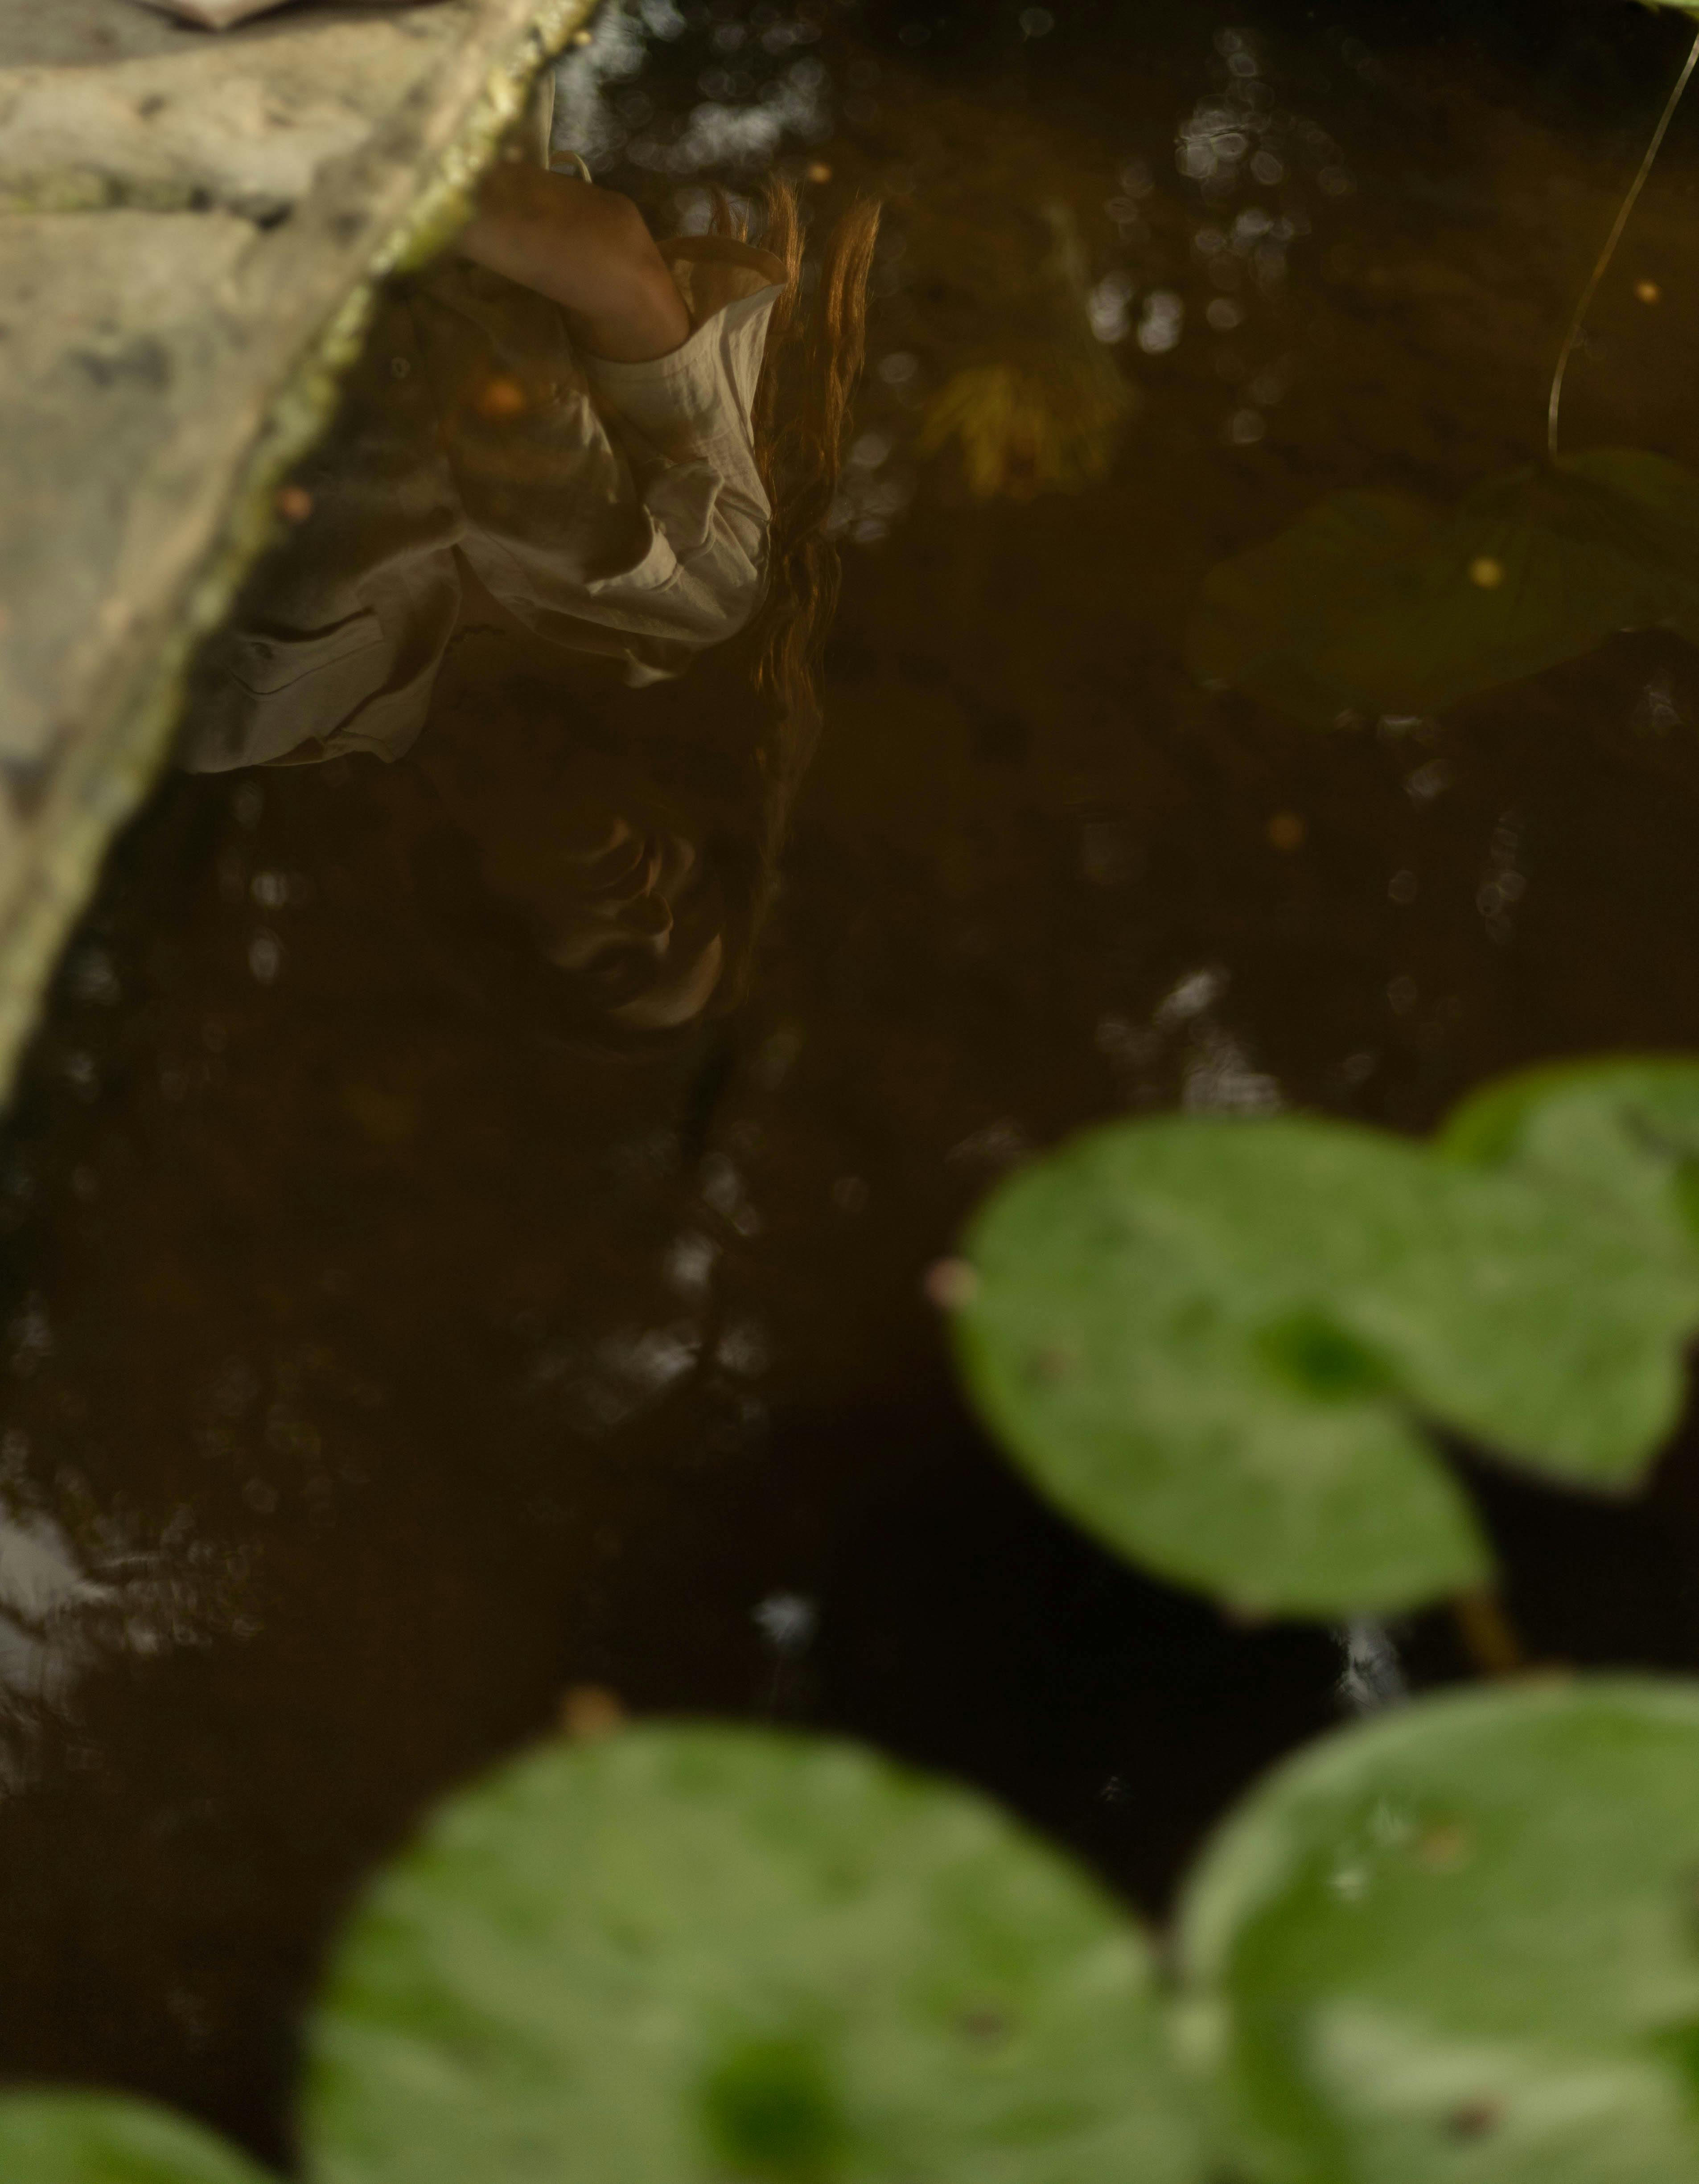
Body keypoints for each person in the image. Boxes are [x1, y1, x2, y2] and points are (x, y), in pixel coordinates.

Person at [179, 79, 879, 1032]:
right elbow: (614, 267)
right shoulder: (696, 587)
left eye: (621, 963)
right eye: (696, 906)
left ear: (498, 937)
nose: (652, 912)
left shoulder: (237, 715)